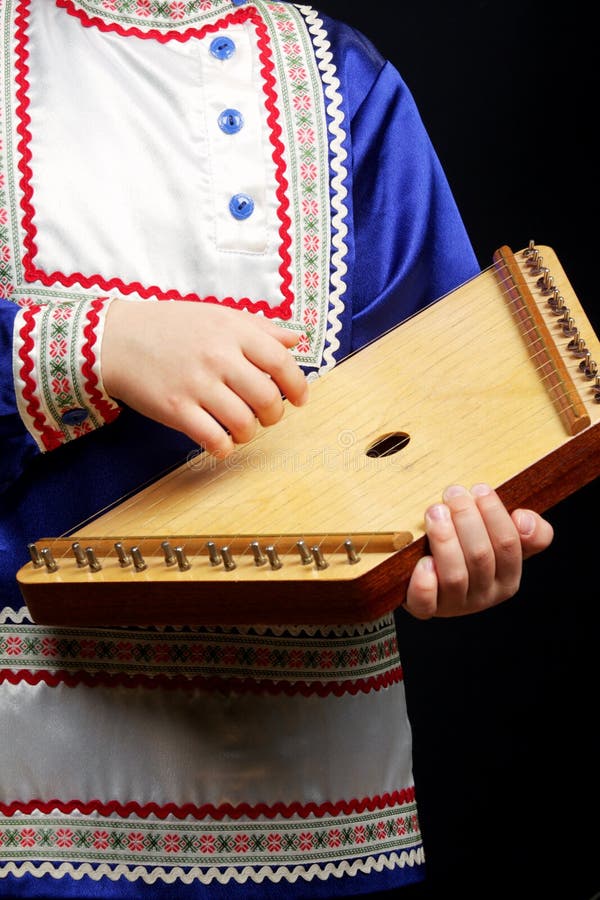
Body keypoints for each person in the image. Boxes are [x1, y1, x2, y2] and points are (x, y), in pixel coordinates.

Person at [0, 1, 553, 897]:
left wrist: (456, 544)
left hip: (320, 802)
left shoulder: (344, 77)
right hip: (37, 790)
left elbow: (446, 418)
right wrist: (89, 343)